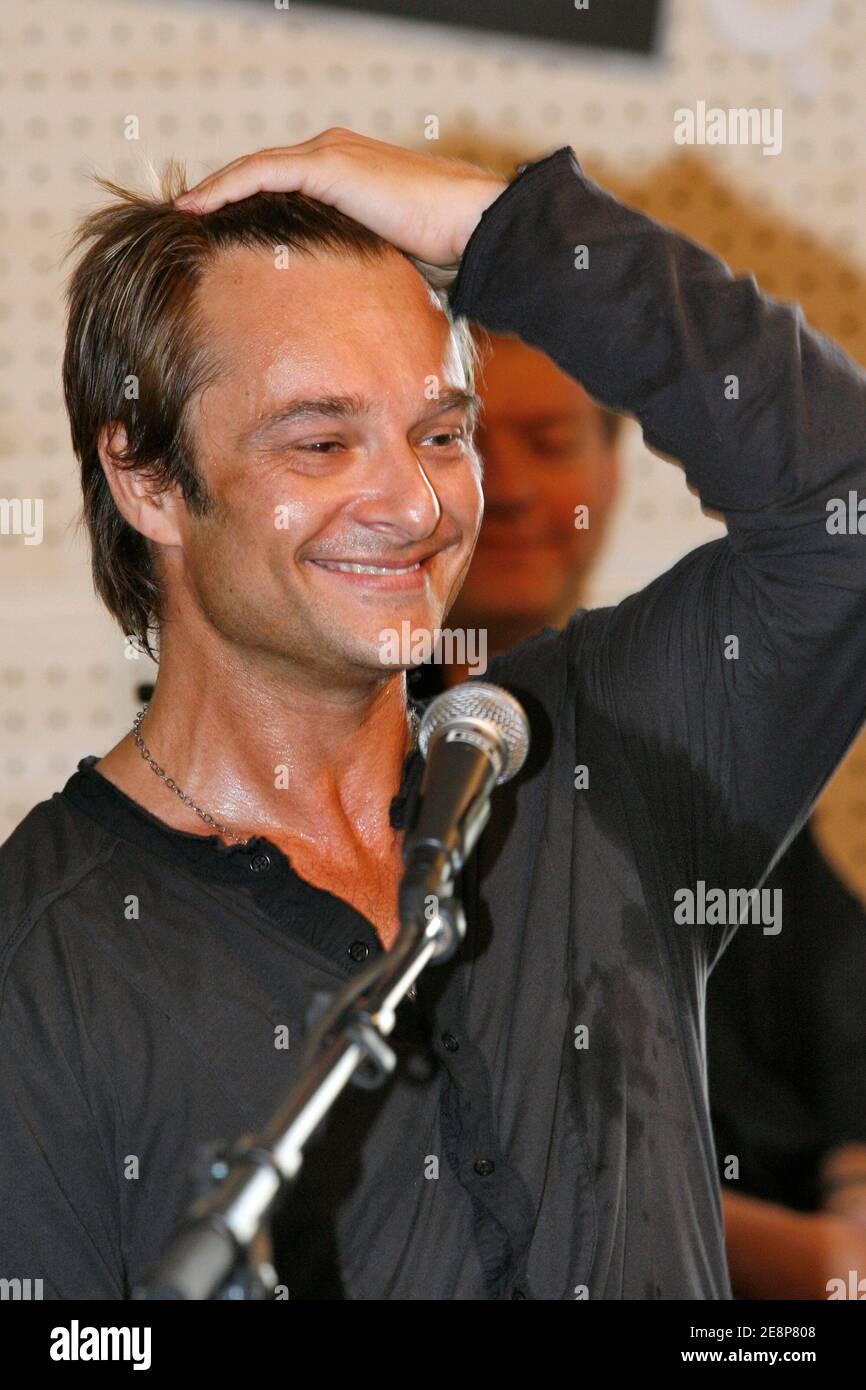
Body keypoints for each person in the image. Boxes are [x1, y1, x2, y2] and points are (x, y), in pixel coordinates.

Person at [2, 129, 866, 1300]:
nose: (414, 503)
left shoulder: (591, 755)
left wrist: (507, 232)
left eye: (439, 433)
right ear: (146, 479)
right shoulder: (40, 965)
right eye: (320, 440)